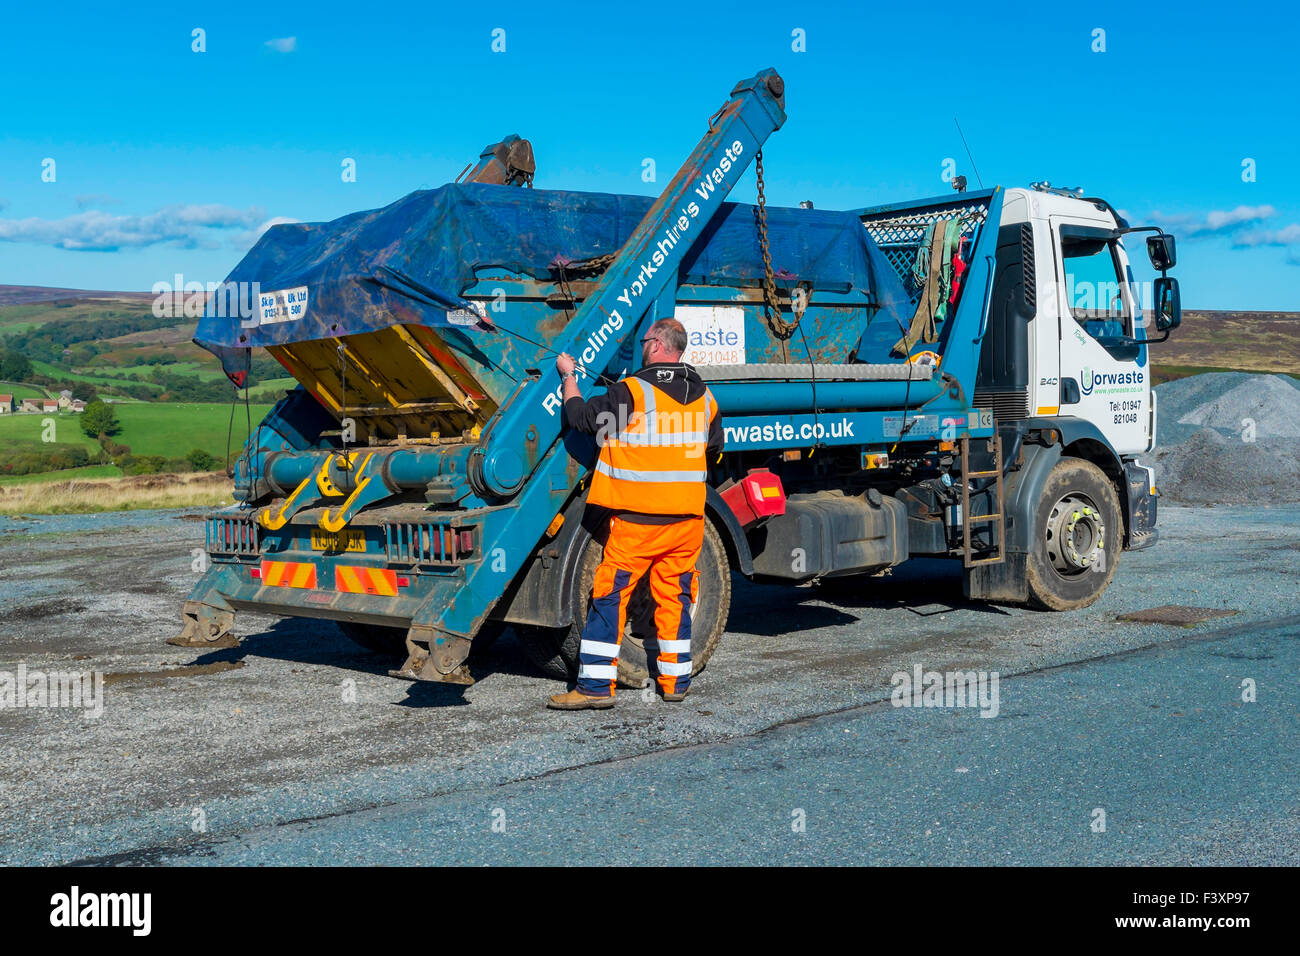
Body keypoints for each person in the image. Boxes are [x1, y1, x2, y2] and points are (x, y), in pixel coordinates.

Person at [547, 317, 723, 710]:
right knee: (675, 596)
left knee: (609, 595)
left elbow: (581, 419)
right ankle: (676, 681)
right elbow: (712, 453)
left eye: (645, 340)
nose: (643, 346)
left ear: (658, 345)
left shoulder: (633, 393)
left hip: (639, 522)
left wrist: (568, 378)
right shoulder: (706, 399)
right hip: (688, 523)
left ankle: (594, 687)